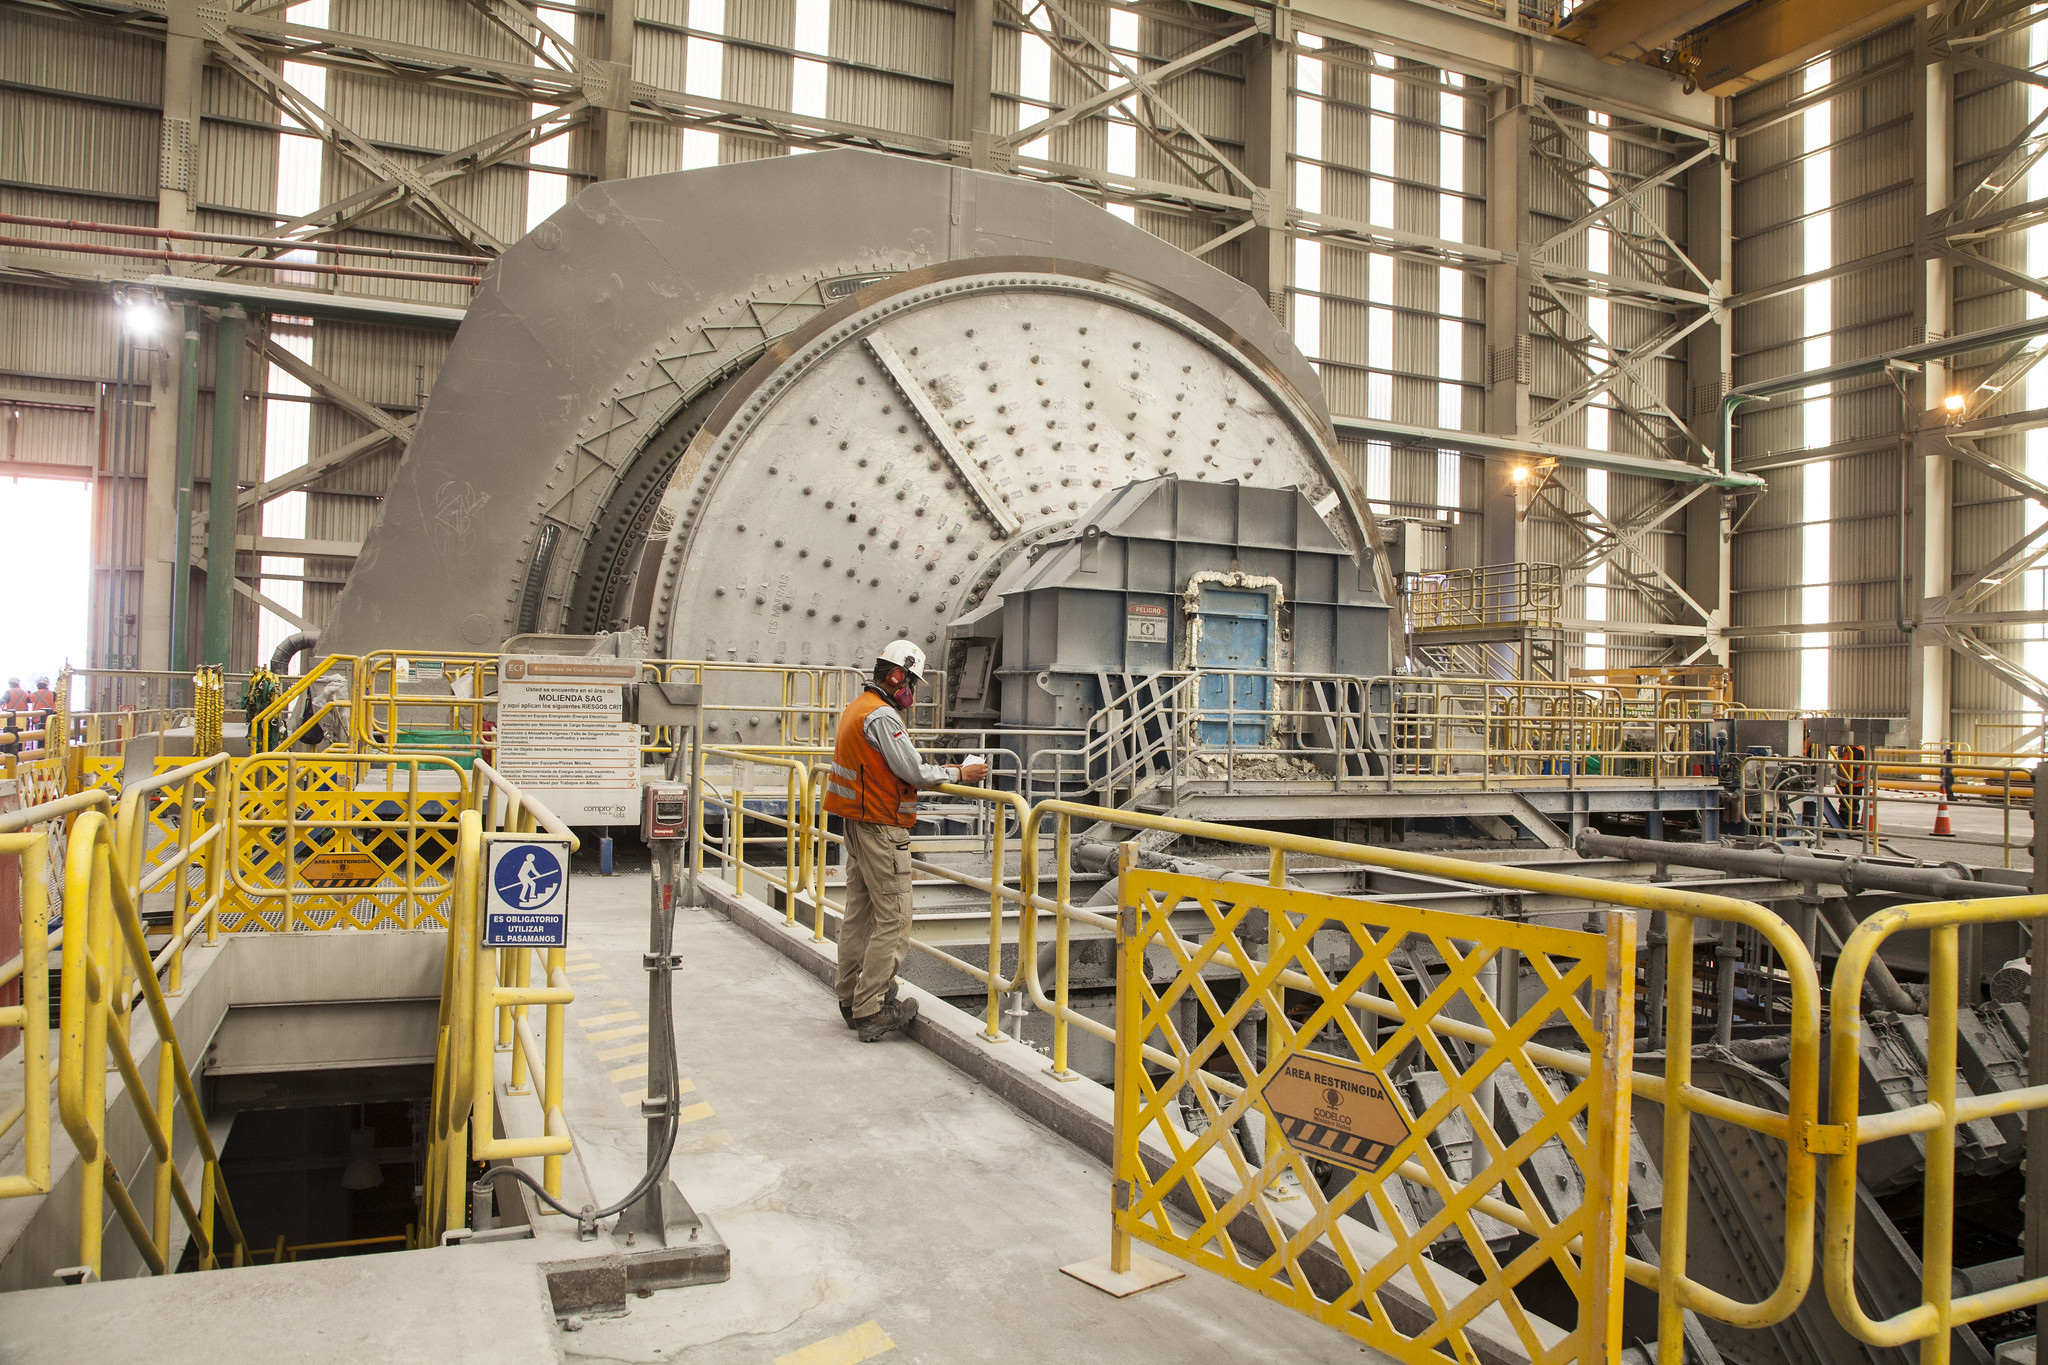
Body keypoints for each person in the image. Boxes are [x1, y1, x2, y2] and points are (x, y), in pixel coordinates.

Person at [822, 640, 987, 1043]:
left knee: (859, 915)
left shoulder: (858, 707)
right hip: (881, 827)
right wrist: (959, 773)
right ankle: (872, 1009)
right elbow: (912, 770)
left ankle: (851, 997)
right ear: (897, 676)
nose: (911, 691)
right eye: (911, 682)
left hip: (859, 825)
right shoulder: (882, 716)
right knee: (894, 920)